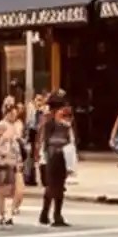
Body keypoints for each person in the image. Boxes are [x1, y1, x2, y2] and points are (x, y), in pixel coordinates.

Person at [38, 94, 73, 226]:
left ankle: (50, 213)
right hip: (52, 157)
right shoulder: (49, 123)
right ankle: (52, 214)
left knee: (58, 186)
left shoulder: (64, 124)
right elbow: (47, 142)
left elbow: (69, 140)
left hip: (60, 156)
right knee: (53, 186)